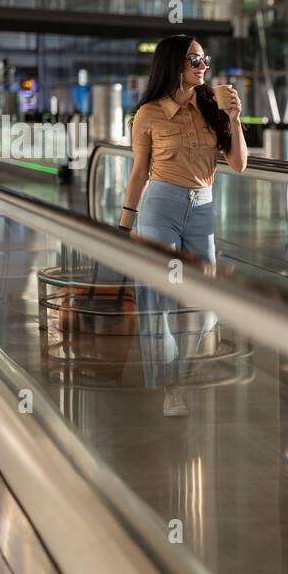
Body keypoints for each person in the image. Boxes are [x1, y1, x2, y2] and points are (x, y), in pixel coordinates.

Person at [118, 34, 247, 416]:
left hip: (203, 205)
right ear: (174, 64)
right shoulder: (148, 114)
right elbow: (139, 172)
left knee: (205, 299)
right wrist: (125, 227)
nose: (203, 64)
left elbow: (239, 164)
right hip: (161, 203)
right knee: (157, 297)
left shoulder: (213, 106)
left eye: (205, 57)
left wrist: (235, 119)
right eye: (194, 59)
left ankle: (182, 368)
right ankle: (171, 386)